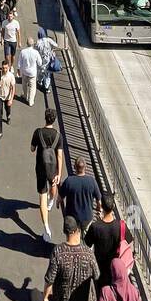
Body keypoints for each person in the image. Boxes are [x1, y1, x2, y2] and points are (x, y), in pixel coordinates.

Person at [31, 105, 64, 242]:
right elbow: (60, 156)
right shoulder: (58, 136)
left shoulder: (38, 132)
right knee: (53, 184)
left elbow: (32, 149)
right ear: (54, 120)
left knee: (41, 195)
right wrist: (59, 173)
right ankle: (51, 201)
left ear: (45, 118)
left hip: (40, 168)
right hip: (53, 168)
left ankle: (46, 227)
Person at [83, 194, 123, 282]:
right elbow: (129, 244)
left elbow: (87, 243)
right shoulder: (120, 226)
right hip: (115, 268)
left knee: (100, 291)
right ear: (114, 206)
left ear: (101, 207)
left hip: (99, 266)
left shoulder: (95, 226)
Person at [59, 158, 101, 233]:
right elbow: (99, 201)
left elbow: (60, 198)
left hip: (72, 218)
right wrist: (98, 208)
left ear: (74, 167)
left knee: (74, 235)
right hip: (87, 217)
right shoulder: (92, 181)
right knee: (87, 235)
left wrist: (60, 206)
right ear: (86, 167)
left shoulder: (69, 181)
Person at [0, 59, 16, 139]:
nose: (4, 70)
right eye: (3, 68)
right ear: (1, 67)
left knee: (7, 109)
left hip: (7, 97)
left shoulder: (11, 76)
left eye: (6, 68)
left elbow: (13, 88)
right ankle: (0, 132)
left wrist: (11, 99)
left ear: (8, 68)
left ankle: (8, 116)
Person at [17, 36, 40, 106]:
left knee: (24, 84)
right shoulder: (36, 52)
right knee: (32, 87)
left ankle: (25, 95)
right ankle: (31, 100)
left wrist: (18, 70)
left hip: (25, 71)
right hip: (32, 72)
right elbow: (40, 62)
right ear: (33, 44)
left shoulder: (23, 52)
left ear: (26, 43)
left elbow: (19, 63)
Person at [36, 26, 59, 97]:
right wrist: (51, 49)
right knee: (47, 73)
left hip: (41, 59)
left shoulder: (38, 42)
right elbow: (56, 45)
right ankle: (46, 87)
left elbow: (36, 50)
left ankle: (39, 81)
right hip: (48, 59)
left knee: (40, 71)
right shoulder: (48, 40)